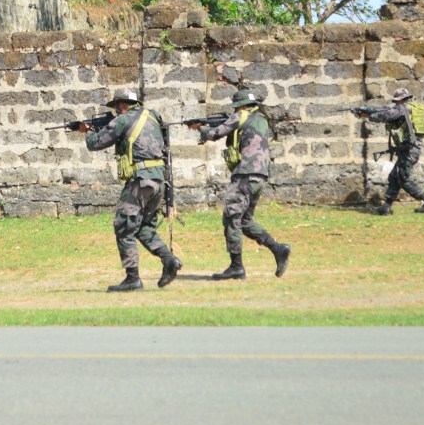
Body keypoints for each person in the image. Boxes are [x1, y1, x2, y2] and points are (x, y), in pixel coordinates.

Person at [77, 87, 183, 292]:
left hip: (140, 181)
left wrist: (88, 130)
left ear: (122, 105)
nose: (116, 112)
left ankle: (132, 278)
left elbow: (95, 143)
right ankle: (169, 260)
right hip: (159, 181)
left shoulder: (123, 119)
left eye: (117, 108)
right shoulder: (154, 117)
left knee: (124, 226)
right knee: (143, 227)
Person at [188, 89, 291, 280]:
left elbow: (214, 134)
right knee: (244, 221)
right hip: (260, 175)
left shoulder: (240, 116)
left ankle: (236, 267)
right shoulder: (261, 119)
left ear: (241, 106)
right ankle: (278, 249)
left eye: (236, 107)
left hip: (245, 174)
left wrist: (199, 128)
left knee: (231, 217)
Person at [354, 87, 424, 215]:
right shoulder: (414, 108)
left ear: (402, 99)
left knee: (403, 178)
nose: (396, 103)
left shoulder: (402, 109)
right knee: (394, 177)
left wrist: (367, 115)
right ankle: (386, 207)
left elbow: (385, 115)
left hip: (409, 150)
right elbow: (388, 110)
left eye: (397, 101)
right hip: (410, 148)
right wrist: (369, 109)